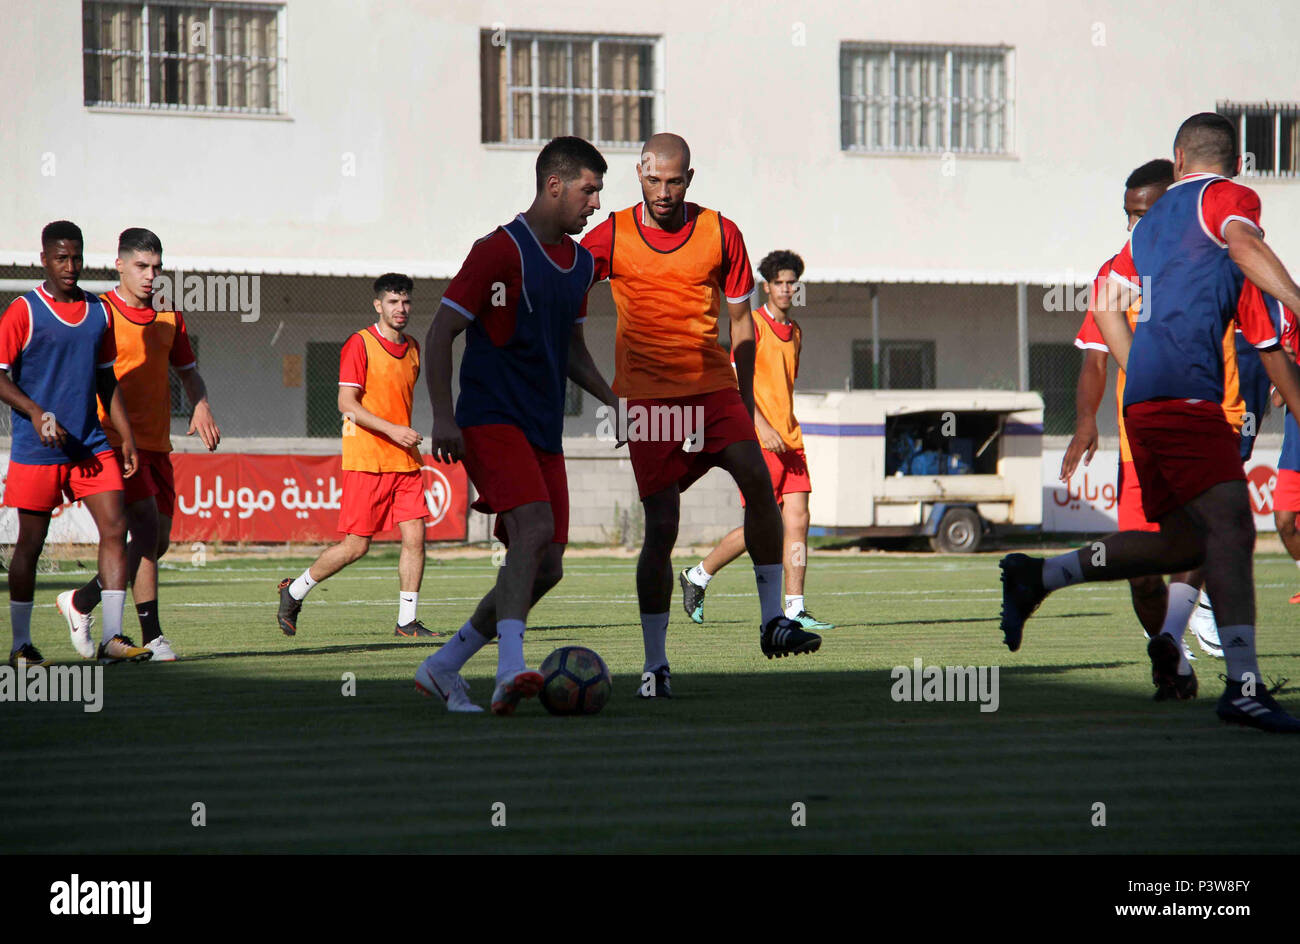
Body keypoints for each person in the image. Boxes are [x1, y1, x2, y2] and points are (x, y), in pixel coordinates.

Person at [1000, 113, 1300, 732]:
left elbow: (1105, 299)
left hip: (1151, 406)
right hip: (1191, 401)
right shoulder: (1225, 203)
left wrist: (1141, 370)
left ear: (1178, 157)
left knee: (1187, 542)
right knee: (1233, 529)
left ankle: (1040, 574)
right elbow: (1245, 246)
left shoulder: (1153, 227)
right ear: (1237, 166)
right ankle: (1243, 686)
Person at [581, 133, 822, 700]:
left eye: (674, 180)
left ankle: (772, 623)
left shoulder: (721, 231)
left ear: (690, 179)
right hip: (648, 400)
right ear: (637, 174)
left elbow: (741, 326)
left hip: (712, 388)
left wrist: (741, 397)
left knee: (761, 485)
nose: (663, 192)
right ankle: (656, 663)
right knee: (661, 524)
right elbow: (562, 288)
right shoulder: (610, 234)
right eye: (652, 179)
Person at [416, 136, 616, 715]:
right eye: (589, 190)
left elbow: (572, 349)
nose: (595, 204)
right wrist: (444, 416)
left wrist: (612, 397)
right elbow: (439, 333)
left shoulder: (580, 265)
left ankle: (443, 666)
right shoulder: (498, 251)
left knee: (547, 566)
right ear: (554, 185)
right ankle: (509, 670)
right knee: (530, 531)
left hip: (542, 432)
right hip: (489, 419)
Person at [57, 227, 220, 662]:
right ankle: (152, 635)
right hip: (110, 441)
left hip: (156, 445)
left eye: (157, 268)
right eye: (141, 267)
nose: (150, 276)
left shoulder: (169, 316)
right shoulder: (99, 312)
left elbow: (188, 371)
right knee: (143, 527)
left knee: (157, 540)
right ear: (119, 266)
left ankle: (81, 602)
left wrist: (200, 403)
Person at [0, 221, 149, 665]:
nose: (70, 266)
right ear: (44, 259)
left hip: (91, 443)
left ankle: (112, 639)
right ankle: (21, 645)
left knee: (115, 528)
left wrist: (125, 436)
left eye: (77, 257)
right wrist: (35, 412)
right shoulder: (23, 311)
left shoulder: (98, 311)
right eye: (61, 258)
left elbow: (107, 378)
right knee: (29, 544)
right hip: (37, 449)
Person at [680, 249, 833, 631]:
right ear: (767, 287)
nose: (785, 289)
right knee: (762, 527)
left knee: (797, 522)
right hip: (760, 440)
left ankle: (795, 609)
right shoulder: (753, 325)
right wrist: (760, 424)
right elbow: (733, 381)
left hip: (791, 441)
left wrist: (781, 426)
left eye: (790, 283)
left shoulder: (796, 332)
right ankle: (698, 574)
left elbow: (783, 387)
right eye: (778, 283)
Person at [277, 274, 433, 637]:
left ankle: (406, 622)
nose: (401, 309)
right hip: (367, 460)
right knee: (356, 546)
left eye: (406, 302)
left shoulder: (413, 347)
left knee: (416, 536)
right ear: (378, 305)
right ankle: (295, 590)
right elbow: (346, 404)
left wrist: (402, 436)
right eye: (393, 302)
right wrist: (394, 430)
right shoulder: (359, 344)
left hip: (404, 461)